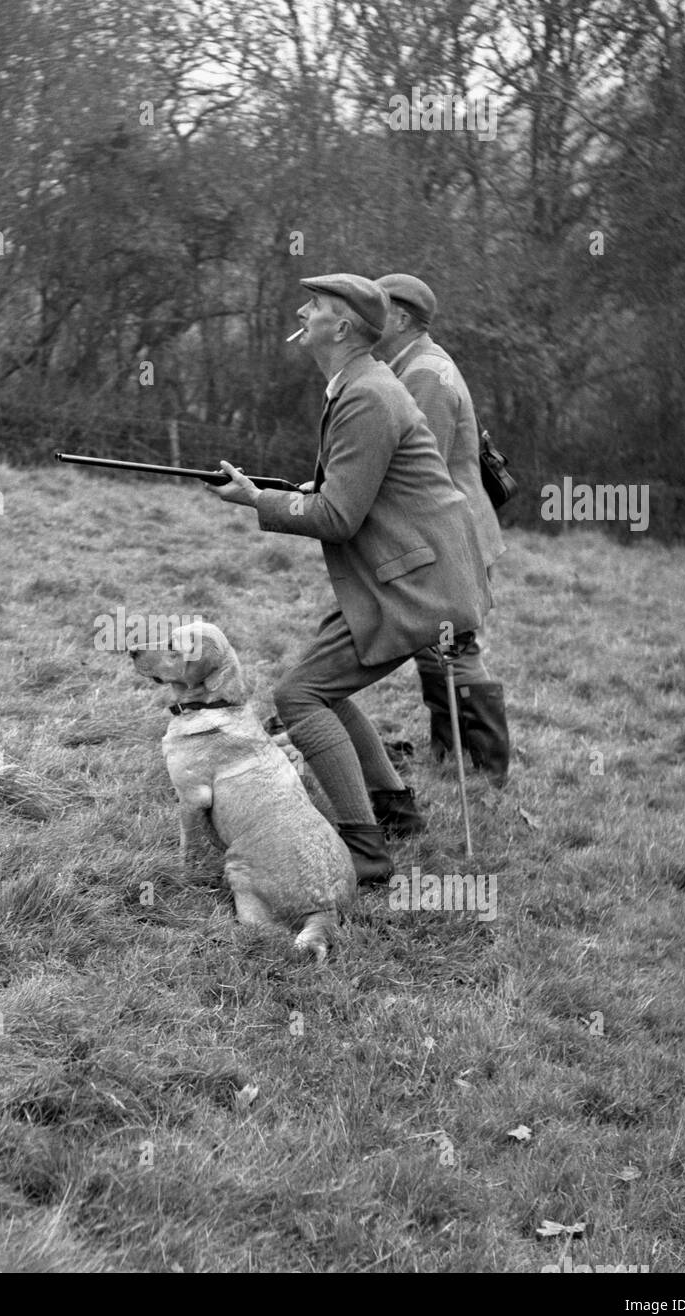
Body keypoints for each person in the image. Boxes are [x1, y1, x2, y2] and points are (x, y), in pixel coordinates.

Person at [207, 274, 489, 882]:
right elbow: (356, 489)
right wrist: (275, 492)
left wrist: (259, 504)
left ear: (341, 328)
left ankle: (364, 849)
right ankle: (393, 809)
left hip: (413, 584)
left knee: (299, 697)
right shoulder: (361, 384)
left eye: (315, 307)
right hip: (404, 571)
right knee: (318, 687)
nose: (302, 311)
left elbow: (338, 517)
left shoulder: (365, 393)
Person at [373, 274, 511, 785]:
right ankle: (452, 755)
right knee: (440, 647)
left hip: (450, 536)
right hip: (450, 531)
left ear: (402, 319)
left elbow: (417, 468)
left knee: (452, 650)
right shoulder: (416, 364)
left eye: (378, 308)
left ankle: (485, 768)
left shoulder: (426, 374)